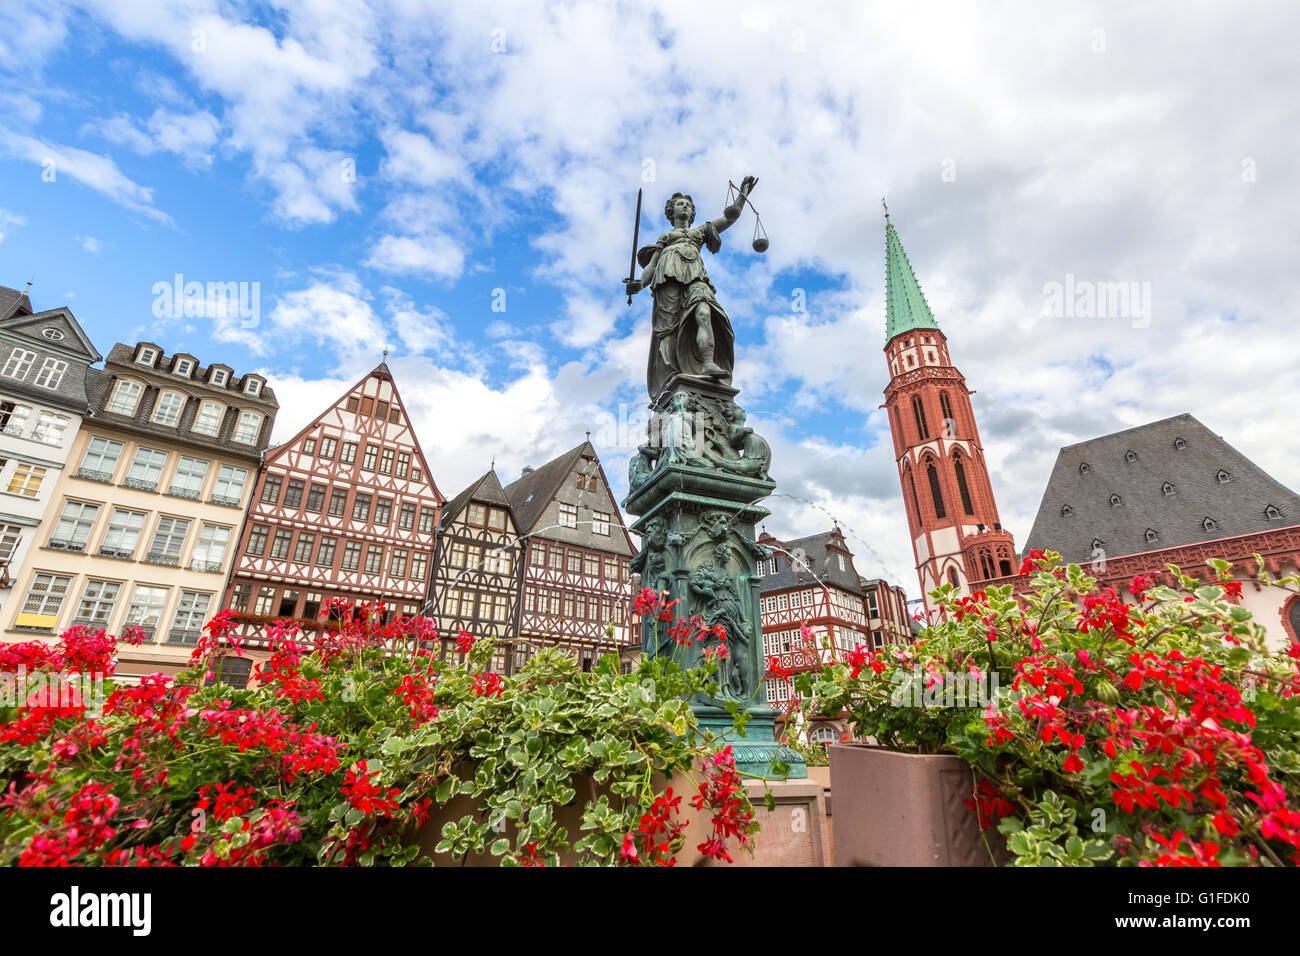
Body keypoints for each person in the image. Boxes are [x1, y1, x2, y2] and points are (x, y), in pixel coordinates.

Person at [626, 176, 757, 400]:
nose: (684, 206)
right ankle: (671, 376)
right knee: (668, 329)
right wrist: (640, 283)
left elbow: (729, 217)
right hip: (667, 277)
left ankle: (708, 363)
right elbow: (652, 265)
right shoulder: (666, 237)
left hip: (696, 275)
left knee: (705, 312)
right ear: (671, 211)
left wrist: (742, 196)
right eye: (680, 204)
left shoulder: (700, 232)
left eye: (688, 204)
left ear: (692, 212)